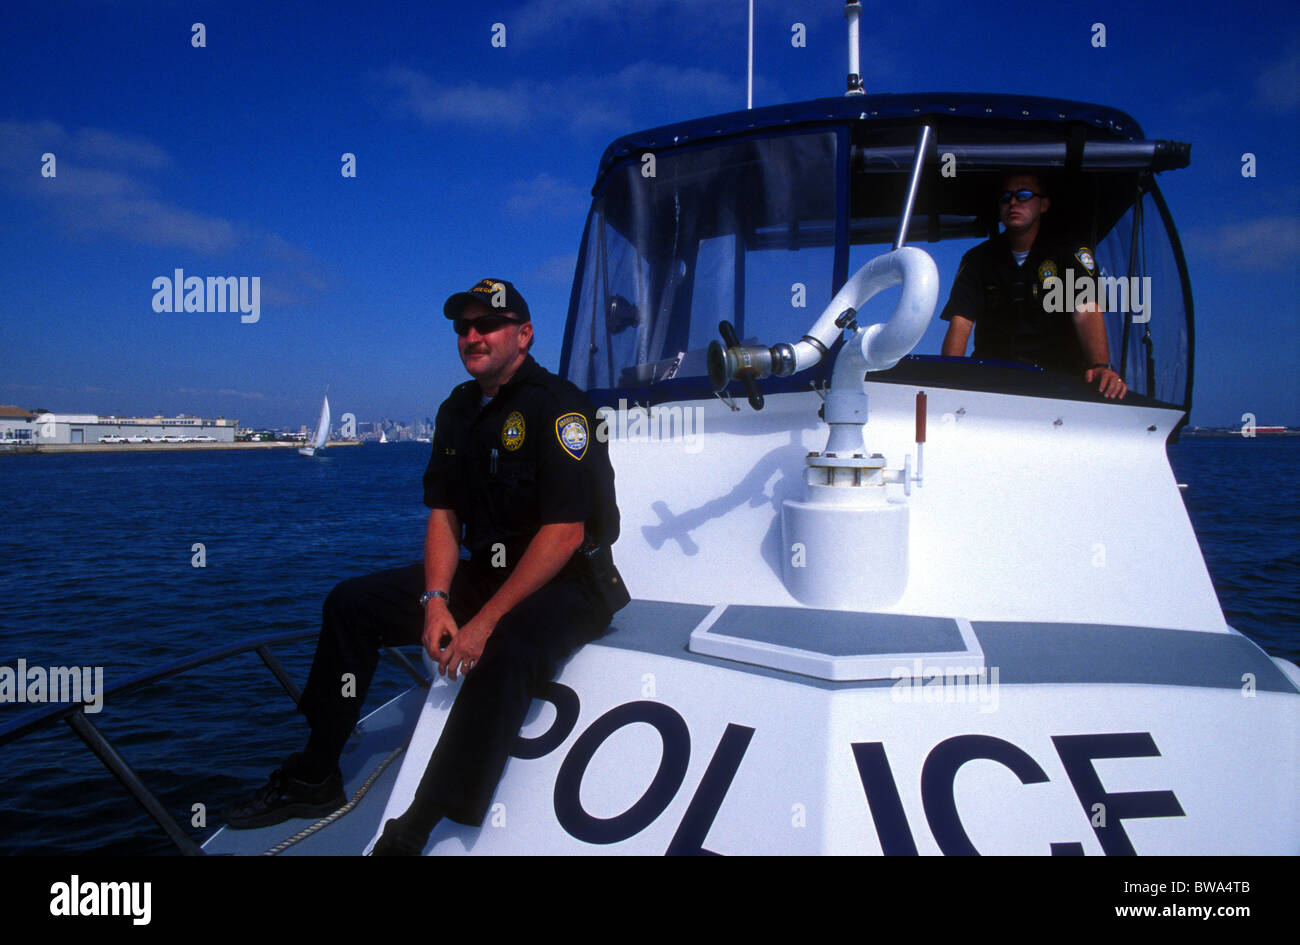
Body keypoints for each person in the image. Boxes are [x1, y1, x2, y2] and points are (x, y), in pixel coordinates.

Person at [222, 277, 629, 854]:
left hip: (569, 582)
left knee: (505, 647)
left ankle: (420, 823)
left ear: (524, 334)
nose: (471, 336)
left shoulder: (561, 408)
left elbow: (563, 533)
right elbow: (444, 515)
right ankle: (315, 775)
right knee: (351, 603)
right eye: (462, 327)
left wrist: (481, 622)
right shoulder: (457, 410)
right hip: (489, 572)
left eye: (486, 325)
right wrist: (435, 601)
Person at [940, 172, 1127, 399]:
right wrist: (948, 376)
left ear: (1044, 205)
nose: (1013, 202)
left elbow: (1086, 311)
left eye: (1024, 195)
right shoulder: (977, 260)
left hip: (1059, 384)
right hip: (993, 384)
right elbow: (961, 321)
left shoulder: (1069, 254)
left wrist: (1100, 366)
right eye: (1006, 197)